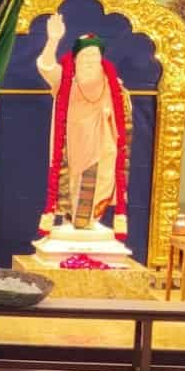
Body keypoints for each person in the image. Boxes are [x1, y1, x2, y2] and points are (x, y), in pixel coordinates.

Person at [36, 13, 133, 238]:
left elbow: (124, 117)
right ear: (76, 59)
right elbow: (45, 66)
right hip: (72, 145)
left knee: (102, 180)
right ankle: (72, 222)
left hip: (103, 143)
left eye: (94, 57)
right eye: (85, 57)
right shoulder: (65, 80)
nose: (89, 62)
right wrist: (53, 40)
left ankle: (93, 220)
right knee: (71, 182)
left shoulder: (113, 85)